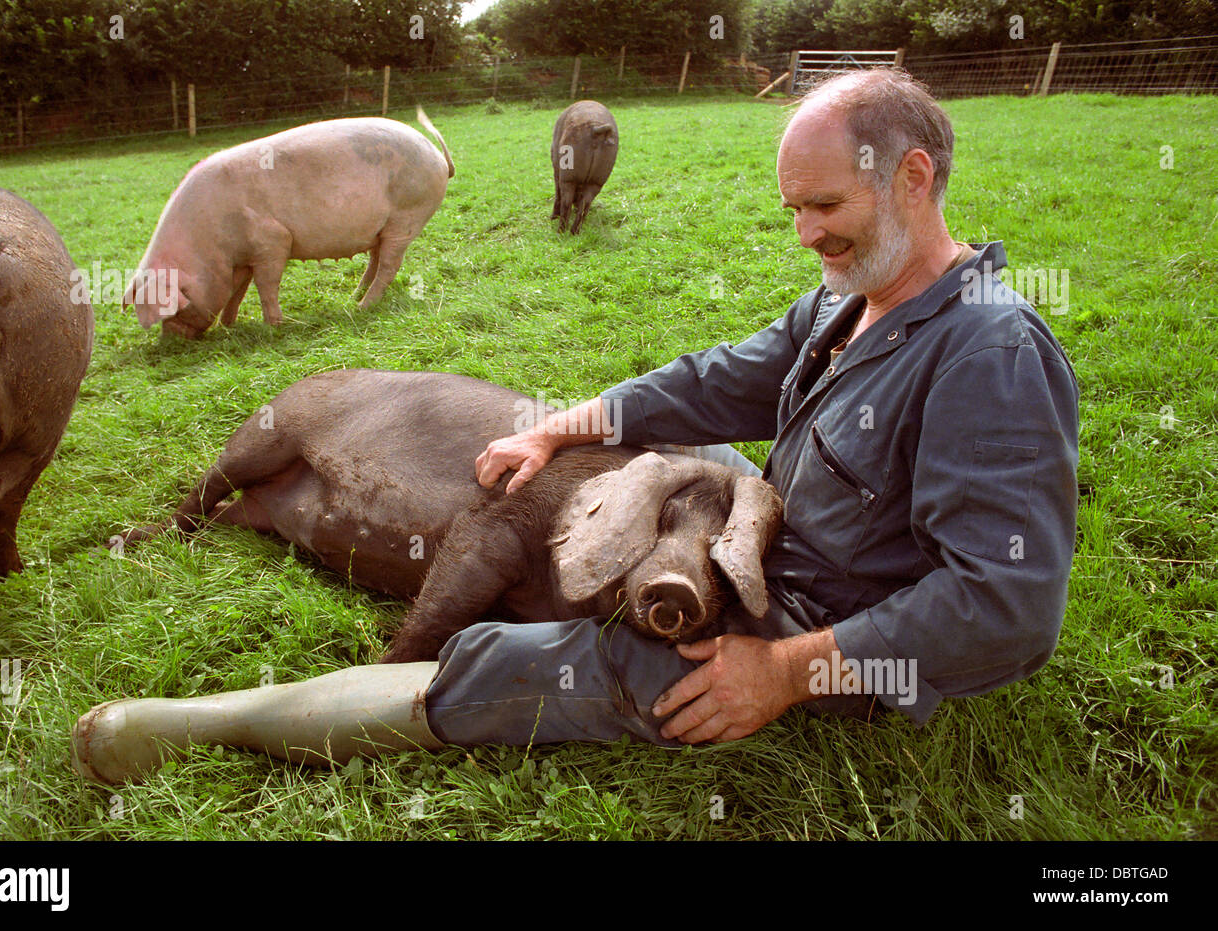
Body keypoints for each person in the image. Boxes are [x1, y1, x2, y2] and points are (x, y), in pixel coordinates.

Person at [71, 68, 1079, 785]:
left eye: (824, 206)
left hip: (809, 615)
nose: (806, 235)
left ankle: (198, 727)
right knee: (643, 448)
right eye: (793, 212)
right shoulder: (848, 301)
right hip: (761, 522)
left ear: (911, 177)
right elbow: (720, 379)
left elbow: (1007, 605)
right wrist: (555, 430)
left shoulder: (986, 355)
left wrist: (781, 668)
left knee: (515, 660)